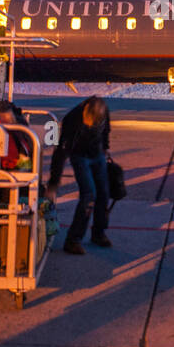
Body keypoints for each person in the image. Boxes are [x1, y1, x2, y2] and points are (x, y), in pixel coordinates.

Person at [44, 96, 111, 254]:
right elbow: (60, 152)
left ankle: (98, 233)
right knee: (88, 195)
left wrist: (105, 147)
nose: (91, 127)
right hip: (79, 156)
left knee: (103, 193)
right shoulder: (72, 120)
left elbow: (106, 130)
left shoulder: (103, 110)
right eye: (88, 125)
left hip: (97, 154)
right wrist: (54, 183)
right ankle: (73, 240)